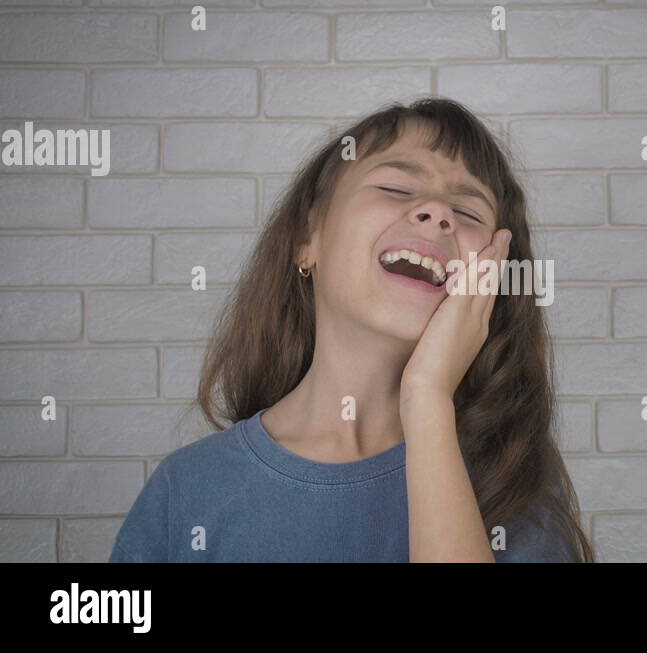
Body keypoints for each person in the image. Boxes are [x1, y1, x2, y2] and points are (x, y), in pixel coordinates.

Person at [108, 97, 595, 563]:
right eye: (397, 189)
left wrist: (427, 396)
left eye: (467, 212)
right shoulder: (188, 489)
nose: (437, 213)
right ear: (307, 239)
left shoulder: (511, 479)